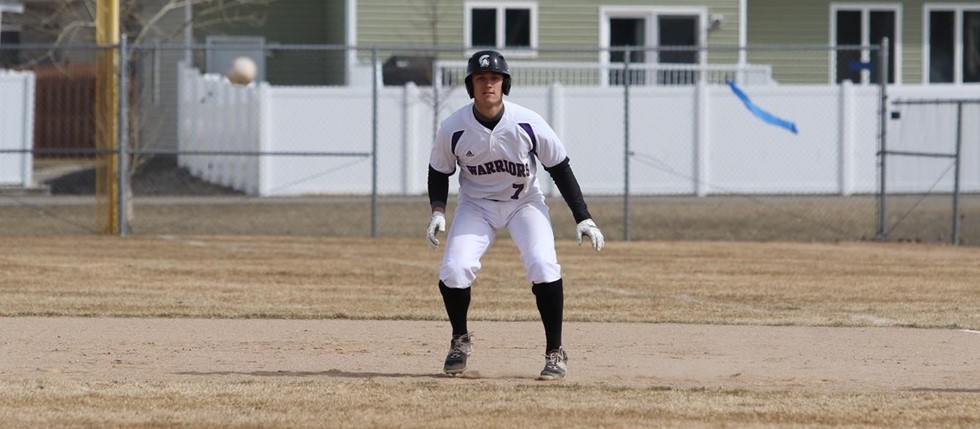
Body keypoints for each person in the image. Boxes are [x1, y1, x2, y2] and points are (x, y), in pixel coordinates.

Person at [426, 49, 604, 380]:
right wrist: (437, 209)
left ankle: (555, 351)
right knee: (454, 268)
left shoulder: (527, 121)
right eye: (480, 79)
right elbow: (438, 171)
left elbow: (560, 168)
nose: (488, 84)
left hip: (525, 203)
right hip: (476, 206)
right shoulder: (453, 127)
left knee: (542, 264)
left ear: (504, 84)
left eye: (494, 78)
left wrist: (583, 217)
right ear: (471, 86)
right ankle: (459, 340)